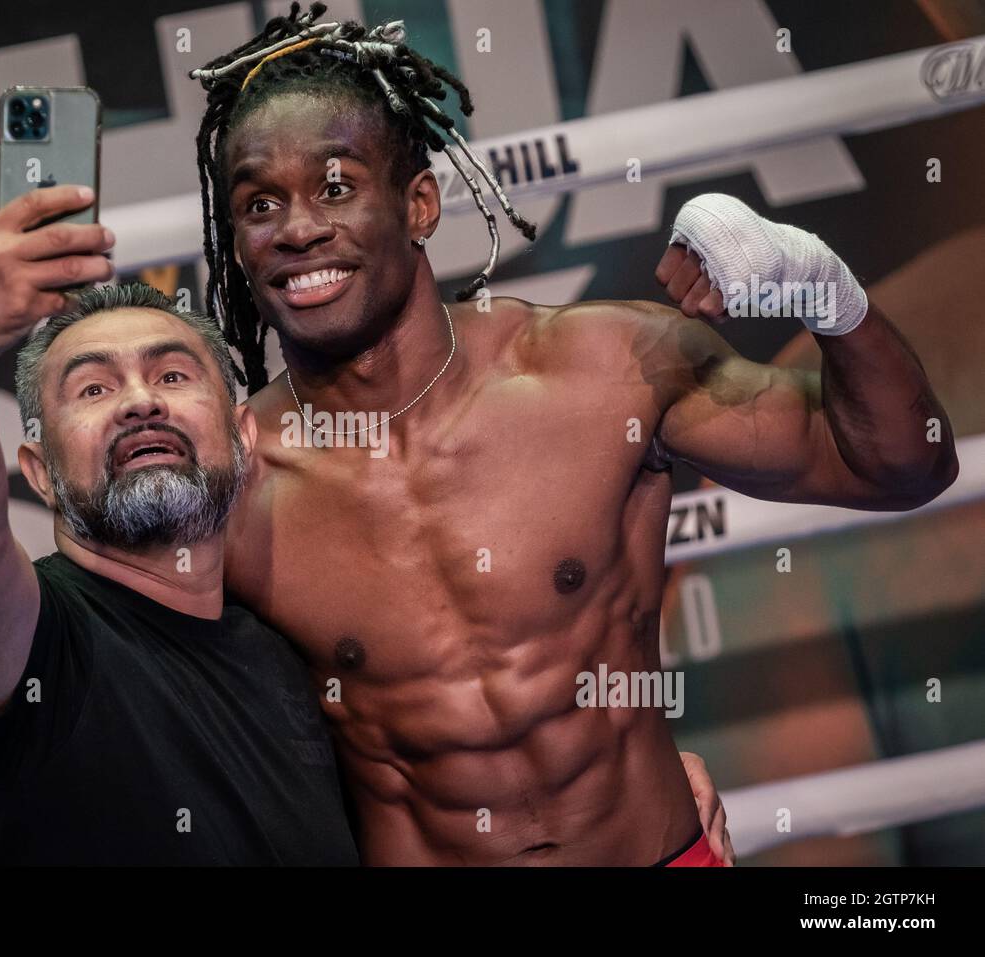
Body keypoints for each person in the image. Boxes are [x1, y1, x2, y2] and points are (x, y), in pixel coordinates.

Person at [176, 4, 957, 865]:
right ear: (237, 244)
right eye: (258, 203)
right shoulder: (231, 480)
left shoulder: (604, 369)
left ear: (420, 203)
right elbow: (93, 684)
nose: (297, 228)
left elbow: (902, 467)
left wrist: (825, 290)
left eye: (335, 187)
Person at [0, 209, 358, 864]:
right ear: (41, 473)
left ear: (242, 437)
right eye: (93, 387)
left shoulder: (285, 655)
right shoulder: (37, 643)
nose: (141, 401)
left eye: (172, 375)